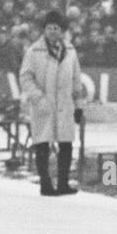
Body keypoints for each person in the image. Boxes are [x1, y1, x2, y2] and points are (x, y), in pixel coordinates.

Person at [19, 10, 85, 197]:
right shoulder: (34, 51)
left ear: (62, 30)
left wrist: (79, 104)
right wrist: (37, 97)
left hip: (65, 105)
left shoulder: (70, 51)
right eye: (49, 28)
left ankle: (63, 183)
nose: (52, 32)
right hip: (44, 104)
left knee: (66, 144)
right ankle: (45, 183)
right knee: (42, 144)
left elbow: (76, 79)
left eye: (56, 28)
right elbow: (25, 77)